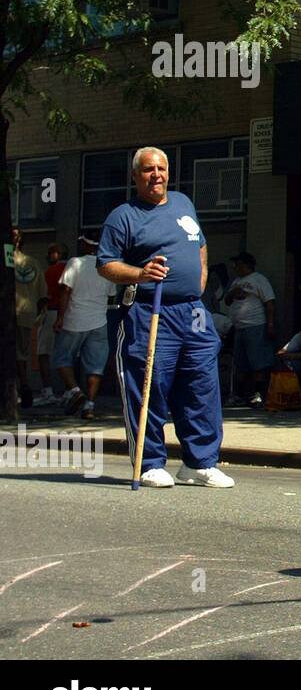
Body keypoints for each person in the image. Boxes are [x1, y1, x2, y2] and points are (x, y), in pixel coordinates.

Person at [97, 147, 232, 488]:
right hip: (148, 310)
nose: (155, 174)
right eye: (147, 169)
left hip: (193, 312)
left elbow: (199, 244)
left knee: (201, 385)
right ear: (135, 176)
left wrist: (199, 277)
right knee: (149, 384)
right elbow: (106, 264)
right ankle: (149, 462)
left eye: (161, 168)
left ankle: (199, 463)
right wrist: (140, 274)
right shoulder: (123, 216)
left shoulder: (183, 203)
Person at [53, 235, 116, 419]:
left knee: (61, 358)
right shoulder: (107, 266)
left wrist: (60, 317)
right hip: (99, 322)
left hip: (74, 320)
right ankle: (90, 406)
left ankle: (75, 391)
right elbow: (111, 294)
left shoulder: (74, 262)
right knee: (95, 367)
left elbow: (65, 290)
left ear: (86, 245)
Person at [224, 251, 277, 409]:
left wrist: (270, 324)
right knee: (241, 363)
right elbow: (227, 301)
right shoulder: (236, 282)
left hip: (256, 325)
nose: (235, 267)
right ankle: (241, 395)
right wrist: (232, 293)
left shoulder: (259, 279)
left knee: (258, 362)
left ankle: (259, 395)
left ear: (246, 265)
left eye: (237, 264)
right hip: (239, 328)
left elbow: (270, 302)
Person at [11, 227, 47, 407]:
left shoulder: (8, 261)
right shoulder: (33, 263)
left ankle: (20, 389)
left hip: (15, 312)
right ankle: (23, 388)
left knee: (17, 353)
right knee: (21, 354)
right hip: (27, 313)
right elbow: (43, 295)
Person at [33, 241, 67, 407]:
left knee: (43, 352)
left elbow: (43, 294)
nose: (47, 256)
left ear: (56, 254)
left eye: (50, 253)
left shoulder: (51, 272)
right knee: (67, 354)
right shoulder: (72, 269)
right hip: (71, 315)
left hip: (53, 312)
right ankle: (70, 391)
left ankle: (48, 391)